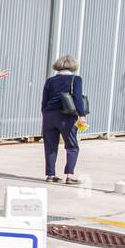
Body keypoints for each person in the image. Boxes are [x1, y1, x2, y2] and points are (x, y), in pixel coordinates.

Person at [41, 54, 87, 184]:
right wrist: (82, 115)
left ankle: (50, 174)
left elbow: (44, 101)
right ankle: (70, 175)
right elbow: (77, 98)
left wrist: (45, 114)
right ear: (73, 66)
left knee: (50, 146)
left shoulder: (50, 80)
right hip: (66, 116)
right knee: (72, 145)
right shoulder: (76, 79)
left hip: (49, 115)